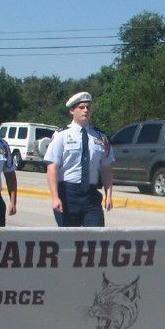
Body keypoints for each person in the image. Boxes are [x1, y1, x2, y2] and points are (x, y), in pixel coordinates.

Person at [43, 91, 114, 227]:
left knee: (95, 240)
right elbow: (52, 167)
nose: (86, 110)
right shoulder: (61, 135)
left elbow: (106, 169)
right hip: (68, 195)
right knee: (69, 242)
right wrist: (55, 197)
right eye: (81, 107)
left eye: (88, 107)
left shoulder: (100, 137)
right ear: (72, 110)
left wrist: (109, 195)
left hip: (91, 195)